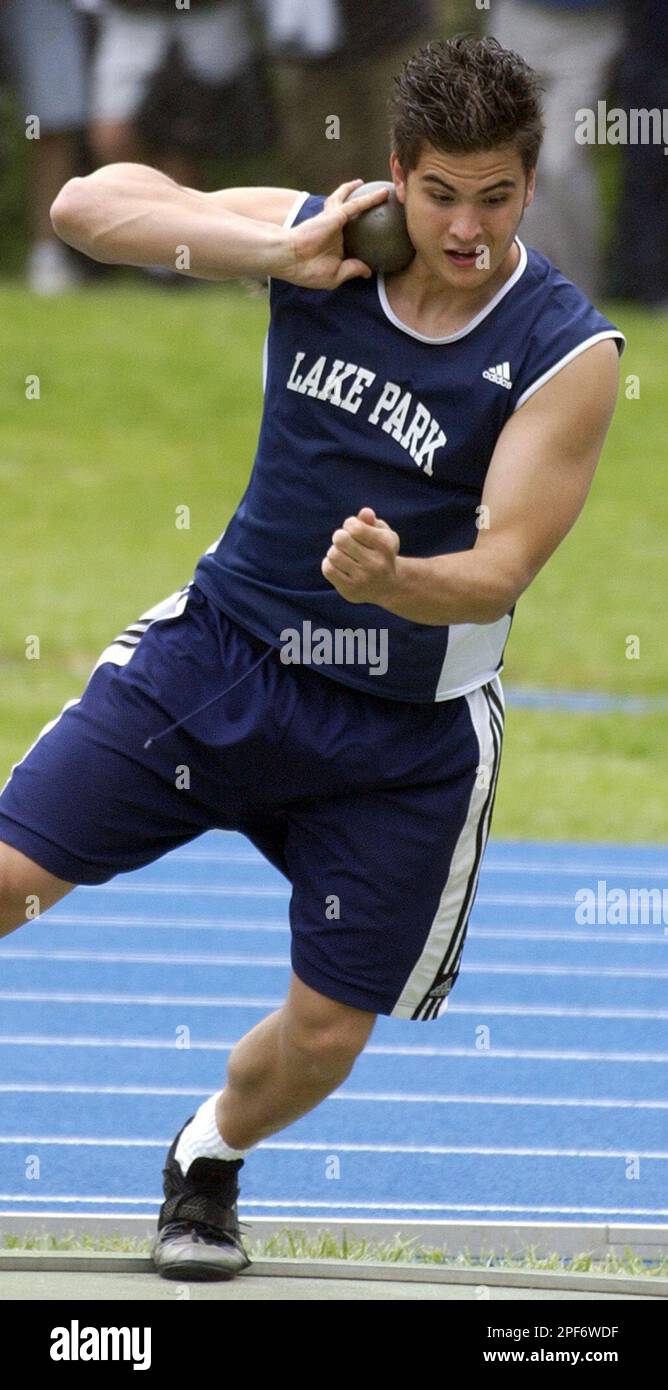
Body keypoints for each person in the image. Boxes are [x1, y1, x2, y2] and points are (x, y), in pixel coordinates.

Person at [2, 36, 624, 1281]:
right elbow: (85, 207)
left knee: (329, 1033)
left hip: (400, 742)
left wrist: (395, 582)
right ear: (396, 174)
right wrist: (276, 253)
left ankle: (208, 1156)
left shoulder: (566, 350)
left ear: (526, 184)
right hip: (221, 658)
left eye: (495, 198)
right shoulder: (320, 236)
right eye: (440, 194)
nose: (465, 228)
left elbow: (500, 568)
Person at [487, 0, 623, 299]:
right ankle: (523, 286)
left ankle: (579, 293)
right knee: (513, 157)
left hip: (591, 25)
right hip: (520, 17)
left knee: (561, 162)